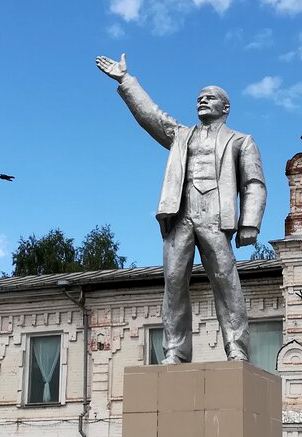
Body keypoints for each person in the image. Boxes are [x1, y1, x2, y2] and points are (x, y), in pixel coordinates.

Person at [95, 53, 267, 363]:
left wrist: (250, 223)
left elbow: (253, 183)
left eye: (210, 98)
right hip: (181, 216)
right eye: (199, 97)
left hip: (216, 217)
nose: (202, 101)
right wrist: (125, 80)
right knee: (173, 284)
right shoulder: (180, 136)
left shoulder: (241, 141)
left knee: (226, 283)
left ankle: (237, 349)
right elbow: (151, 115)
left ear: (225, 108)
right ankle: (175, 351)